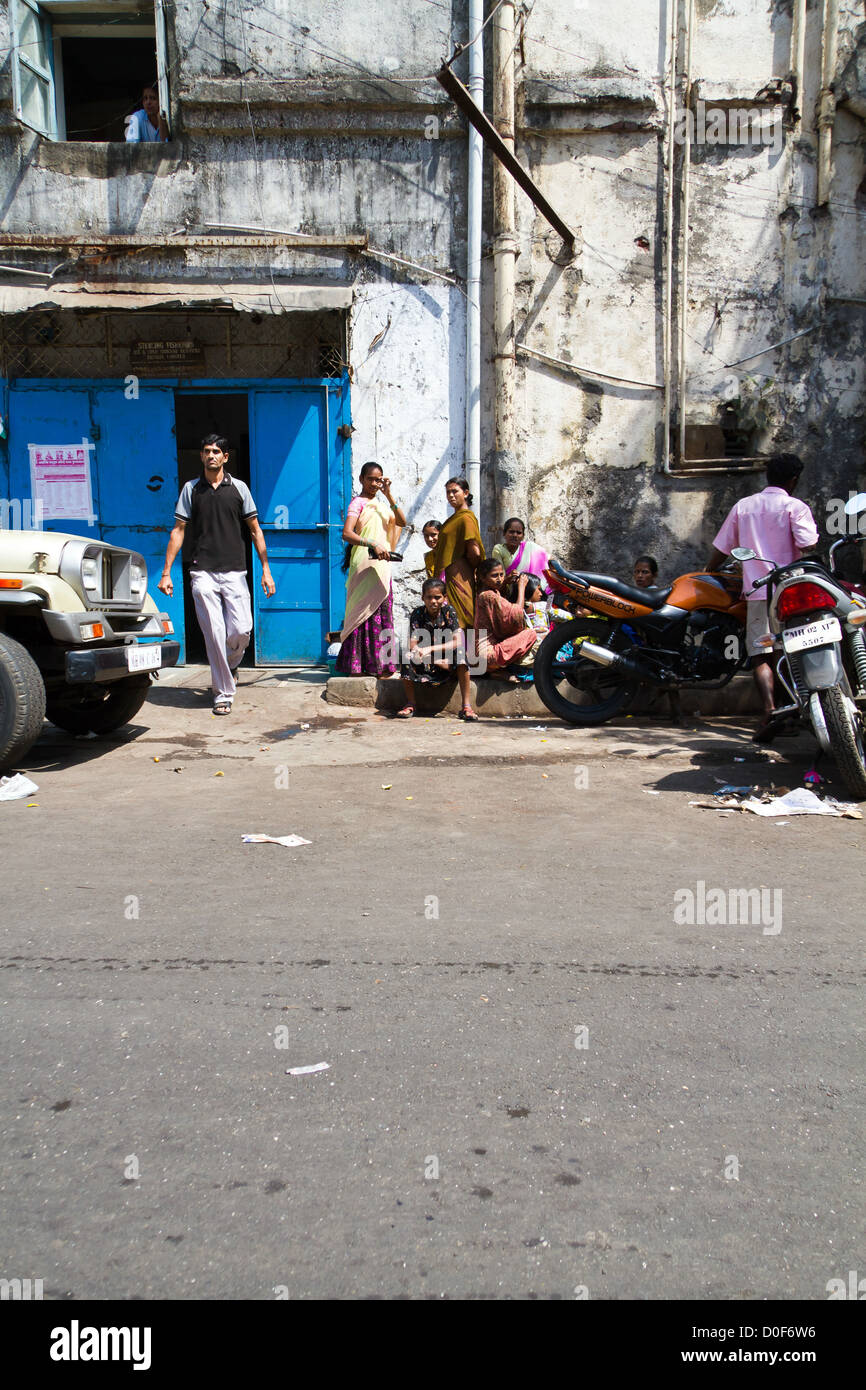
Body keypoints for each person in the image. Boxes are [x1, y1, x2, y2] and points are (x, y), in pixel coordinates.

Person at [159, 434, 275, 715]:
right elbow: (178, 531)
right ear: (201, 456)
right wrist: (166, 573)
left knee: (240, 630)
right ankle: (223, 693)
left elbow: (255, 529)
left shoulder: (239, 488)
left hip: (235, 571)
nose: (211, 455)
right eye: (206, 451)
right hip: (202, 572)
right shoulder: (191, 489)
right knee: (214, 632)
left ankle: (231, 664)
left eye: (216, 451)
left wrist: (266, 570)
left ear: (226, 457)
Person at [706, 453, 819, 736]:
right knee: (787, 651)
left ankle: (769, 711)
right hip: (789, 594)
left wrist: (709, 570)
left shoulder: (744, 507)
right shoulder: (796, 507)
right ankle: (790, 713)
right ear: (793, 480)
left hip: (757, 593)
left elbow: (723, 547)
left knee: (760, 653)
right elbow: (808, 545)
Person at [337, 461, 405, 676]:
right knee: (360, 614)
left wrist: (389, 494)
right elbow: (347, 533)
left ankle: (382, 665)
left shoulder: (383, 505)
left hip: (382, 567)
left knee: (382, 612)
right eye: (371, 479)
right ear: (361, 480)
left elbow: (402, 522)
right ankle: (357, 666)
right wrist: (372, 543)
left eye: (379, 479)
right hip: (364, 563)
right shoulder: (358, 503)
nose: (375, 483)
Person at [397, 577, 478, 721]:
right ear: (423, 598)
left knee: (461, 654)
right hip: (428, 661)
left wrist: (430, 649)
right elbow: (412, 643)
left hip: (448, 663)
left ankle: (466, 706)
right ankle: (410, 704)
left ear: (444, 598)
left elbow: (457, 641)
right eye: (429, 597)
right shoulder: (417, 614)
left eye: (437, 597)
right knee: (406, 655)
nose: (433, 601)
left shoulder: (449, 612)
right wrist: (428, 656)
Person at [430, 478, 485, 630]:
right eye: (448, 492)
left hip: (460, 577)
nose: (451, 495)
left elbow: (474, 551)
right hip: (450, 577)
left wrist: (470, 571)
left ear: (466, 493)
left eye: (455, 491)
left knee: (462, 619)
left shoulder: (466, 518)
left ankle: (467, 652)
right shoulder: (453, 519)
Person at [474, 558, 539, 674]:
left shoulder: (485, 592)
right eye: (494, 576)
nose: (499, 579)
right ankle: (497, 671)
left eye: (501, 575)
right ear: (483, 578)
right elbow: (515, 616)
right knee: (530, 634)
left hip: (482, 656)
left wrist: (506, 581)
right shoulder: (488, 596)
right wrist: (522, 587)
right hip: (488, 655)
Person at [492, 517, 551, 596]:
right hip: (509, 593)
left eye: (519, 533)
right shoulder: (499, 549)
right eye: (511, 532)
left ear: (523, 536)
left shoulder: (530, 547)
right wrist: (508, 578)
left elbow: (545, 558)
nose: (515, 535)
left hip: (532, 593)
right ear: (504, 533)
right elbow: (499, 578)